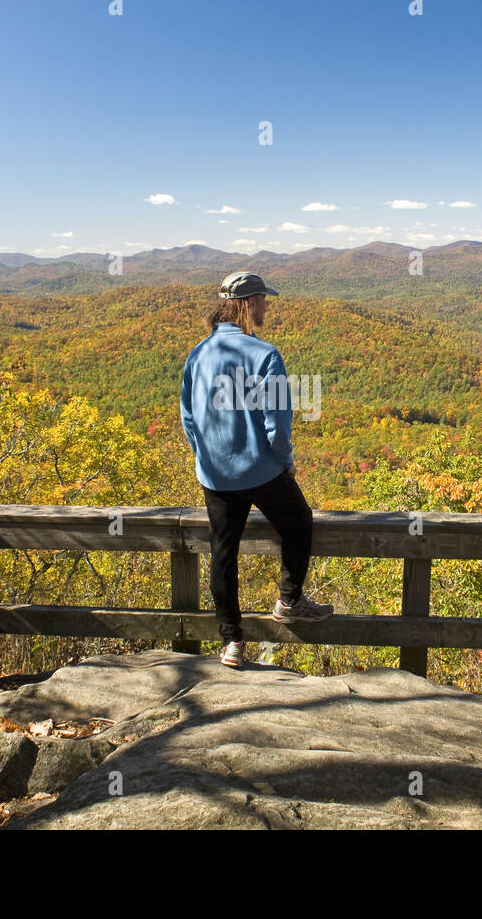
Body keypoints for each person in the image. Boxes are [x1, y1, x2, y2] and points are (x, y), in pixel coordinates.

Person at [180, 271, 333, 668]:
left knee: (223, 552)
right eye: (264, 300)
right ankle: (288, 601)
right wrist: (286, 462)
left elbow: (189, 417)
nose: (267, 307)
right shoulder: (265, 355)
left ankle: (232, 643)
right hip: (260, 471)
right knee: (299, 521)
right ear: (248, 305)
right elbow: (277, 423)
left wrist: (205, 455)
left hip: (215, 474)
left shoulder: (198, 354)